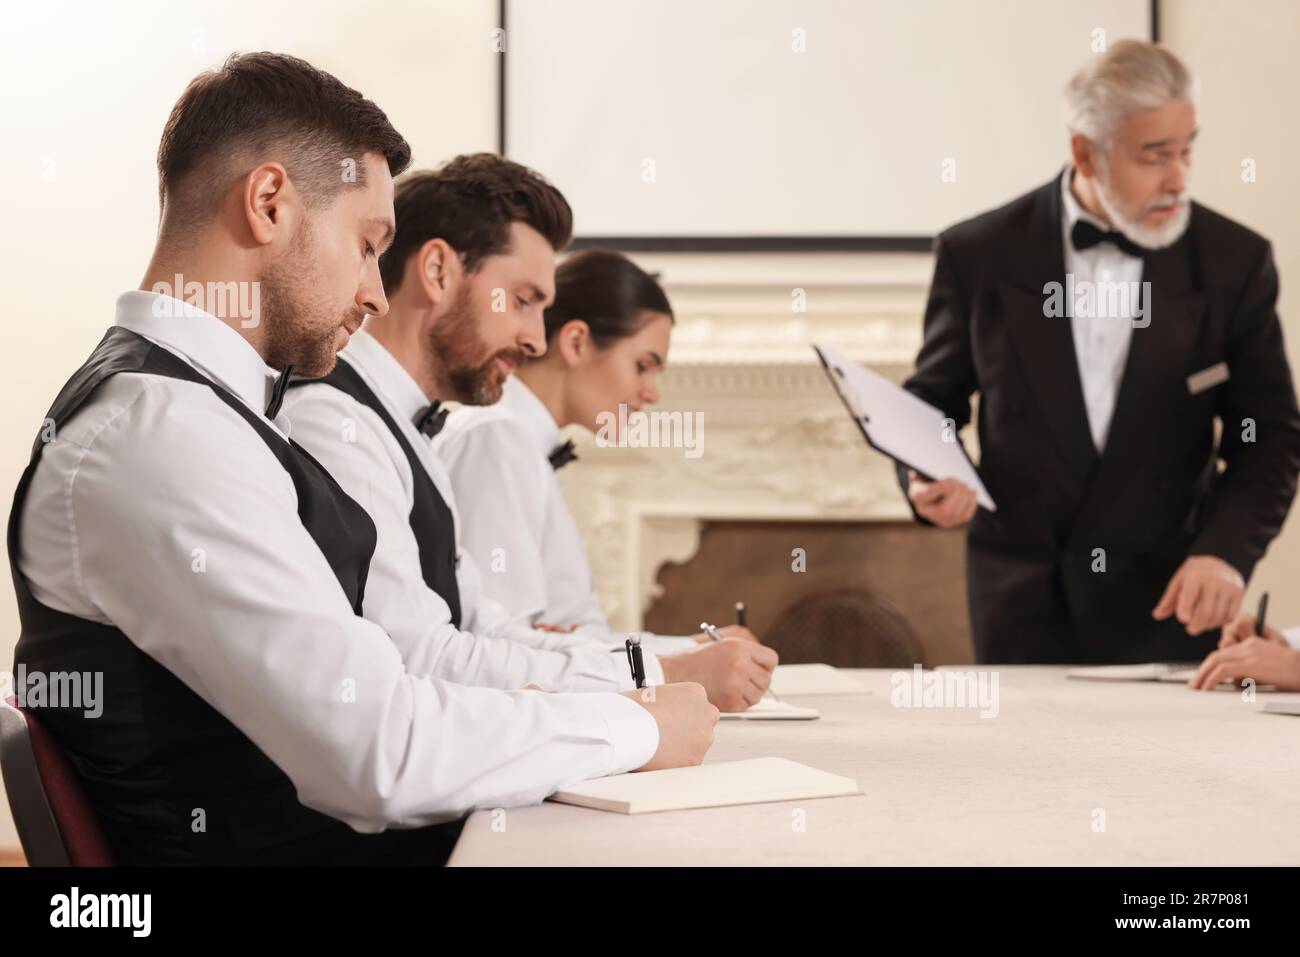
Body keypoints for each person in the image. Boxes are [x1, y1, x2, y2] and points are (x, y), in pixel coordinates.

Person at [8, 53, 716, 866]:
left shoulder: (197, 413)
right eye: (368, 243)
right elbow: (382, 751)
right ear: (270, 204)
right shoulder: (158, 434)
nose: (378, 293)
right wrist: (634, 723)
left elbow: (394, 682)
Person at [285, 156, 770, 710]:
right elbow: (418, 659)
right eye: (522, 301)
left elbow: (488, 632)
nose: (538, 341)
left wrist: (668, 664)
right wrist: (659, 675)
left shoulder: (407, 429)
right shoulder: (338, 423)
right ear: (438, 271)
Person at [896, 40, 1300, 664]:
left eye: (1187, 150)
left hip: (1170, 604)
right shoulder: (978, 253)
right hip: (1022, 606)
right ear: (1084, 151)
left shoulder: (1235, 262)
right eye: (1154, 156)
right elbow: (934, 399)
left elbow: (1269, 437)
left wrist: (1224, 554)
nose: (1179, 179)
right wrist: (924, 471)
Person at [436, 248, 778, 710]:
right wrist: (679, 661)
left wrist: (689, 651)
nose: (651, 394)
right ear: (576, 343)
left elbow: (565, 636)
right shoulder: (497, 440)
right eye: (642, 365)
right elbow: (505, 650)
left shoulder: (519, 443)